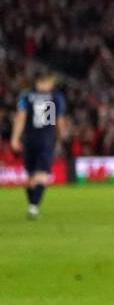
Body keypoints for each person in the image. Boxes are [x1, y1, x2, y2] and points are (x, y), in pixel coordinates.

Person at [9, 74, 66, 220]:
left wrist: (15, 138)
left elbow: (21, 117)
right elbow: (59, 121)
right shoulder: (56, 96)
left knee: (30, 175)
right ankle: (33, 207)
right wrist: (60, 138)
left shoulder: (26, 95)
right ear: (47, 81)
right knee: (42, 175)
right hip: (46, 140)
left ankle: (31, 205)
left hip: (29, 139)